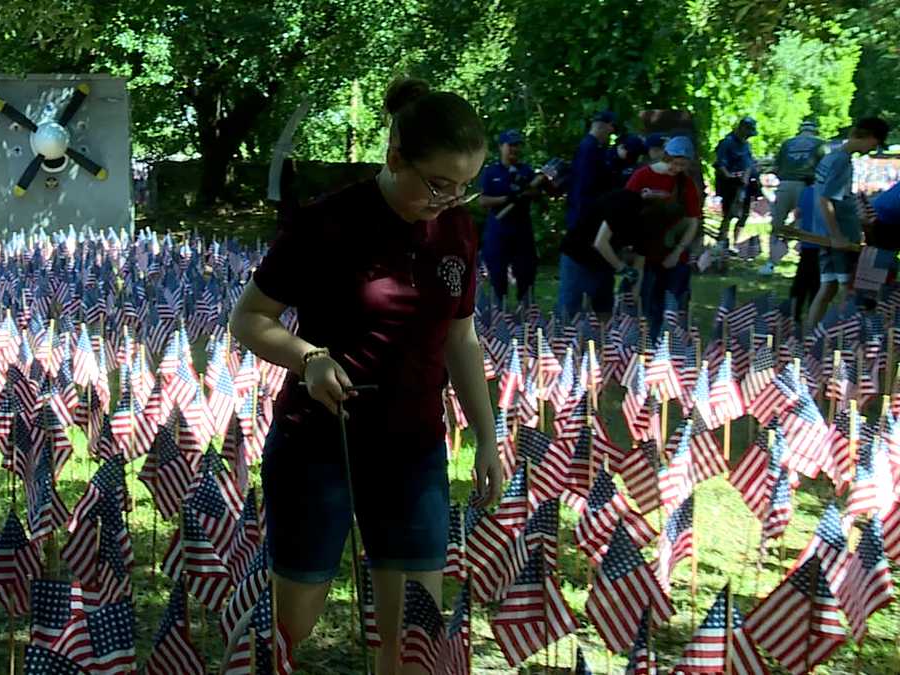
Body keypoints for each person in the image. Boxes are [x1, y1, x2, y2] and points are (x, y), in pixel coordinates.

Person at [229, 77, 502, 675]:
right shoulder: (324, 223)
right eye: (439, 184)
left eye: (465, 186)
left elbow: (460, 338)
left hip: (415, 448)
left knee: (412, 639)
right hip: (319, 444)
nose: (451, 199)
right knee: (291, 623)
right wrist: (308, 358)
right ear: (396, 157)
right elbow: (248, 318)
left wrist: (488, 437)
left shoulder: (456, 228)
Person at [806, 117, 891, 331]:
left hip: (825, 233)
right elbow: (825, 199)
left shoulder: (831, 156)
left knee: (827, 287)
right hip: (840, 236)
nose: (873, 149)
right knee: (850, 290)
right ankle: (849, 337)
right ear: (868, 136)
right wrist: (837, 236)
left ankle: (810, 336)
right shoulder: (842, 161)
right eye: (875, 143)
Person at [558, 188, 685, 319]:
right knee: (570, 307)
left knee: (604, 308)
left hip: (605, 260)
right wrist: (622, 268)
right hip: (577, 253)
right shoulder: (625, 203)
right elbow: (600, 242)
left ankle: (605, 331)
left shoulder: (649, 228)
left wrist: (635, 293)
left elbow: (639, 264)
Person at [624, 136, 702, 337]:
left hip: (675, 253)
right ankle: (645, 345)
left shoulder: (686, 184)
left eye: (683, 165)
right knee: (646, 307)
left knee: (674, 309)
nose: (677, 168)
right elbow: (624, 209)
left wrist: (678, 252)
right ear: (666, 157)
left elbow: (692, 221)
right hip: (645, 254)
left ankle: (670, 348)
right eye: (675, 163)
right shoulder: (642, 176)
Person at [478, 130, 538, 304]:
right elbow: (482, 200)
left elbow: (537, 193)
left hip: (522, 231)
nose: (514, 149)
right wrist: (506, 199)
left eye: (517, 145)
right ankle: (499, 312)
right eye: (511, 145)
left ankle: (526, 312)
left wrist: (529, 191)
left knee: (526, 274)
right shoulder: (491, 172)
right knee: (497, 276)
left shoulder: (526, 171)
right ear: (501, 147)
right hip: (498, 229)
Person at [761, 121, 825, 275]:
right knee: (805, 225)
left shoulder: (787, 143)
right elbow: (825, 168)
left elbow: (777, 166)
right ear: (814, 131)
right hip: (807, 187)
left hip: (784, 185)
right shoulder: (820, 144)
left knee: (777, 223)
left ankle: (771, 262)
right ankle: (805, 262)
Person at [565, 111, 617, 231]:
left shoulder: (592, 146)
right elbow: (585, 182)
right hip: (584, 211)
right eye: (611, 126)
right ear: (604, 126)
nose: (612, 130)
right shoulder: (589, 148)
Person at [714, 116, 758, 246]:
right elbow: (720, 164)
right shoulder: (727, 143)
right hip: (731, 184)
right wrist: (730, 177)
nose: (748, 136)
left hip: (746, 183)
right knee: (728, 214)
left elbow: (749, 163)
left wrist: (748, 176)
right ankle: (722, 242)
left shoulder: (746, 145)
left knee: (744, 215)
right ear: (742, 128)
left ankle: (735, 244)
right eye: (747, 132)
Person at [788, 185, 821, 325]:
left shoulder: (807, 191)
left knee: (802, 281)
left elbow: (798, 213)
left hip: (808, 241)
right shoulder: (831, 193)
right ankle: (812, 318)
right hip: (821, 244)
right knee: (816, 284)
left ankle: (794, 314)